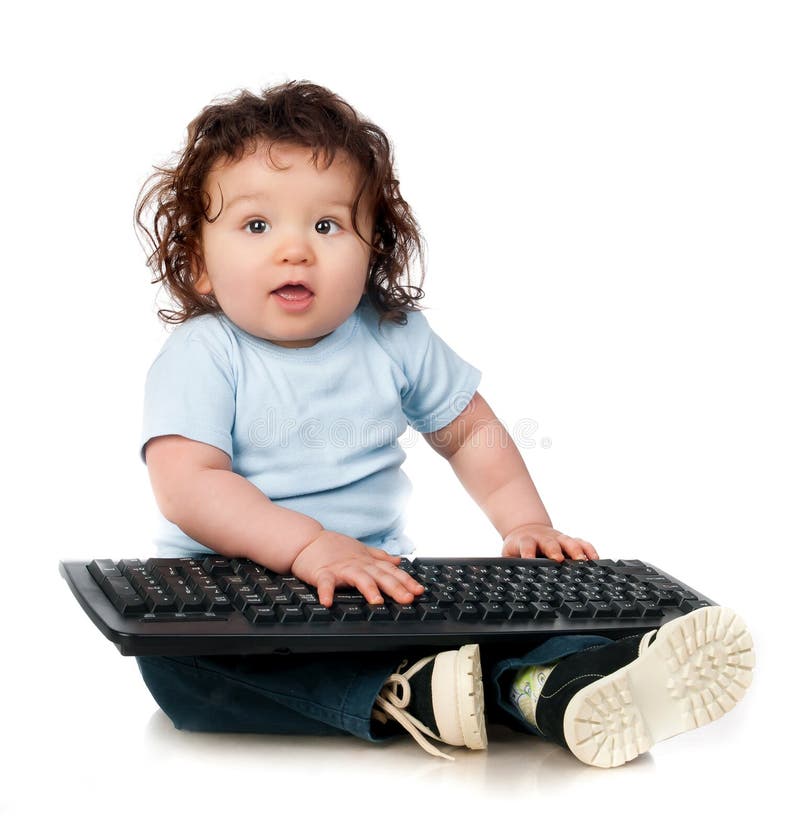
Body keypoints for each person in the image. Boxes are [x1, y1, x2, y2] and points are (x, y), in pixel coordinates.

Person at [133, 80, 754, 765]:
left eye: (327, 225)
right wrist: (309, 546)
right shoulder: (203, 354)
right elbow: (188, 484)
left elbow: (470, 430)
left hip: (372, 587)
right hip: (231, 596)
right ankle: (417, 692)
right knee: (180, 667)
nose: (295, 250)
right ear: (197, 263)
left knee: (494, 616)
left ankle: (560, 681)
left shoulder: (393, 337)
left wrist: (525, 524)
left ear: (375, 249)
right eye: (257, 226)